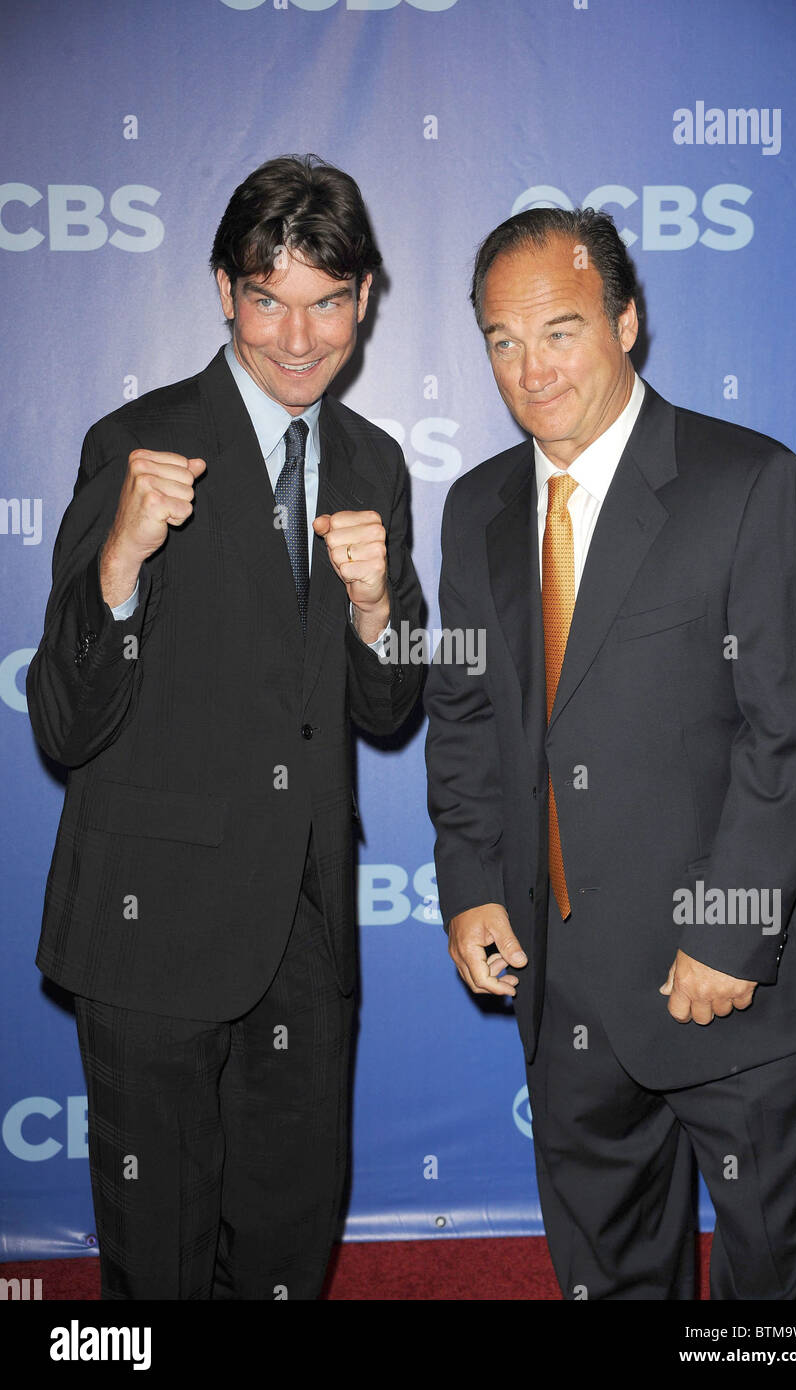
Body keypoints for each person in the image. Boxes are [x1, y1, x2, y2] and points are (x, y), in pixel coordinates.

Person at [424, 207, 796, 1301]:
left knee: (772, 1299)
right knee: (608, 1279)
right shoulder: (474, 509)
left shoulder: (753, 485)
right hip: (567, 995)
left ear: (627, 320)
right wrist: (472, 886)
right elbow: (467, 715)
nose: (530, 367)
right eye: (502, 340)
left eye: (559, 330)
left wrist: (726, 931)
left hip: (736, 995)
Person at [27, 154, 423, 1301]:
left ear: (363, 300)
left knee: (290, 1250)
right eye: (268, 298)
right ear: (222, 292)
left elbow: (392, 706)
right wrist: (119, 563)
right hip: (152, 928)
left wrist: (373, 605)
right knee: (157, 1265)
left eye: (327, 300)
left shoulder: (373, 462)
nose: (298, 336)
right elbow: (62, 719)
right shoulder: (138, 438)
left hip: (304, 930)